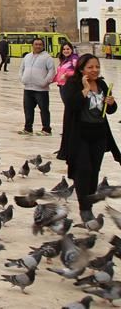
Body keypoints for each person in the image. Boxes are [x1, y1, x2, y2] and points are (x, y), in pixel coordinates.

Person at [59, 54, 121, 222]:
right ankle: (84, 208)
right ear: (81, 69)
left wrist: (111, 103)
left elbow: (109, 111)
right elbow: (71, 104)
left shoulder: (101, 84)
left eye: (97, 67)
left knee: (94, 172)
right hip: (80, 135)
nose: (95, 70)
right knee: (83, 171)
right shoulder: (72, 84)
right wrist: (85, 90)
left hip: (99, 134)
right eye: (90, 67)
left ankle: (89, 203)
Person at [19, 37, 56, 135]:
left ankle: (46, 129)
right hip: (28, 88)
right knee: (28, 109)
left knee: (44, 110)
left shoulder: (47, 58)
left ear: (43, 46)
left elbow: (52, 71)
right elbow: (21, 69)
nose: (38, 46)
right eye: (36, 44)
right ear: (32, 45)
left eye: (40, 44)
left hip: (41, 89)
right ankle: (28, 128)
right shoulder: (27, 57)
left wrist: (45, 82)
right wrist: (22, 79)